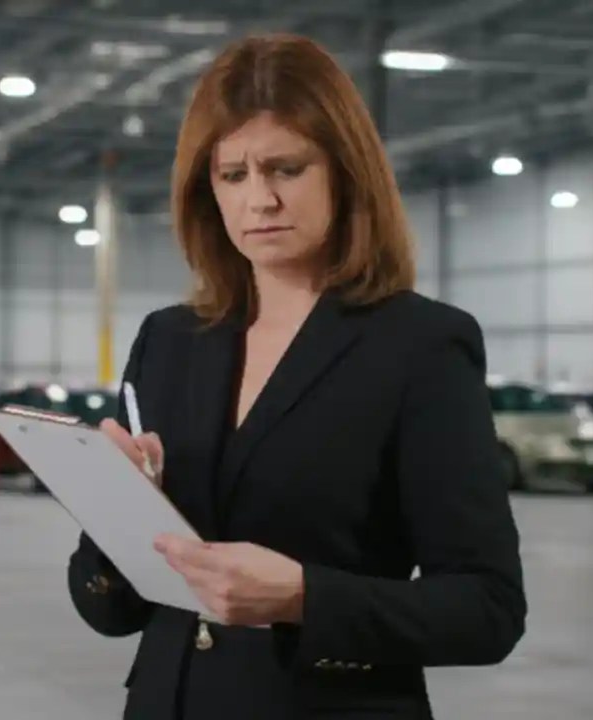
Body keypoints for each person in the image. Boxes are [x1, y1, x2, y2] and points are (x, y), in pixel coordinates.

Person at [67, 33, 526, 720]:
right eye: (233, 175)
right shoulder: (168, 341)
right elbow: (111, 614)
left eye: (287, 168)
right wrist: (113, 509)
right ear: (206, 190)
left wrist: (304, 595)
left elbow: (487, 608)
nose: (261, 200)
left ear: (345, 172)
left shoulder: (420, 346)